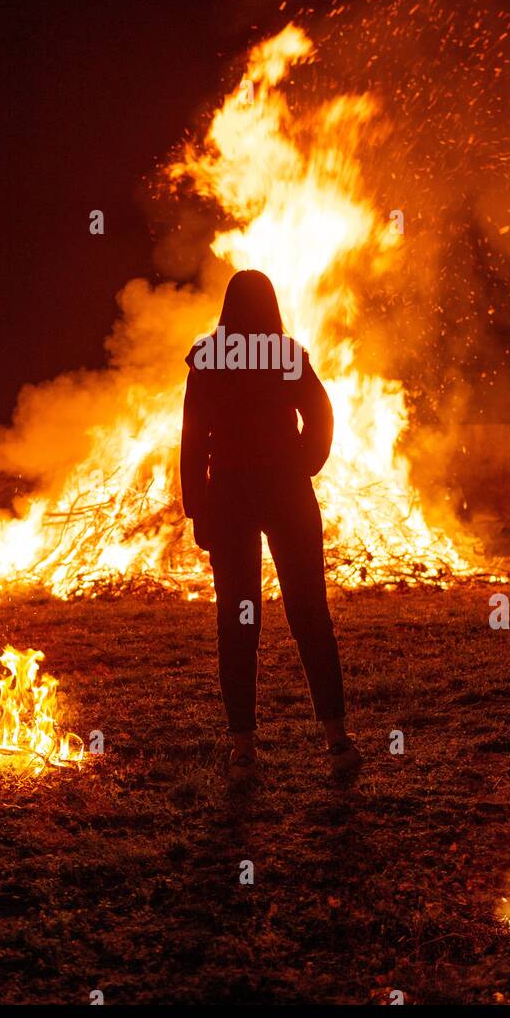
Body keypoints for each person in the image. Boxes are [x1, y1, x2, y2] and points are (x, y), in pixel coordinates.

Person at [179, 269, 362, 784]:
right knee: (310, 614)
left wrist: (198, 507)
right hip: (285, 493)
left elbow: (193, 438)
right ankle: (337, 739)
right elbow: (321, 412)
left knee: (238, 624)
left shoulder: (209, 358)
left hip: (232, 496)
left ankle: (242, 750)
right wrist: (304, 462)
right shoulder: (286, 354)